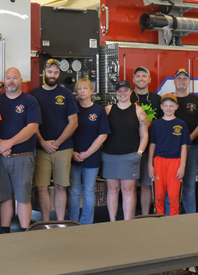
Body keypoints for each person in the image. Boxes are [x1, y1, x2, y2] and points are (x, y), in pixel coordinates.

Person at [0, 68, 40, 232]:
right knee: (4, 197)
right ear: (3, 81)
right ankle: (5, 231)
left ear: (21, 80)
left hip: (23, 157)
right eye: (8, 78)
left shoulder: (30, 101)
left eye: (14, 78)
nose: (11, 81)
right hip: (1, 157)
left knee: (23, 197)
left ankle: (24, 232)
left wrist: (8, 143)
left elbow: (32, 127)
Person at [30, 59, 78, 221]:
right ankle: (45, 223)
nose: (52, 75)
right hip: (41, 148)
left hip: (63, 149)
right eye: (50, 72)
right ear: (44, 72)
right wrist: (43, 142)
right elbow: (31, 123)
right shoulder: (34, 94)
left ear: (59, 74)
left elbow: (74, 122)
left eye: (56, 72)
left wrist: (57, 143)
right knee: (41, 187)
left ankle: (59, 222)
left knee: (60, 186)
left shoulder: (66, 94)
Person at [102, 80, 148, 221]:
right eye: (119, 91)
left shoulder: (138, 111)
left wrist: (139, 153)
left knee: (128, 191)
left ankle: (128, 224)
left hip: (130, 157)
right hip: (110, 156)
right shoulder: (108, 109)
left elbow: (144, 135)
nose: (122, 93)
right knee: (113, 190)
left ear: (130, 92)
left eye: (125, 90)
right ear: (116, 93)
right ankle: (113, 222)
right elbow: (101, 133)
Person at [68, 78, 110, 224]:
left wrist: (87, 153)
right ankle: (72, 222)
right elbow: (67, 132)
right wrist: (72, 152)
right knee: (73, 191)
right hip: (73, 156)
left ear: (92, 91)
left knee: (89, 191)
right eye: (79, 88)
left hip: (91, 157)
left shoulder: (99, 110)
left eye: (85, 88)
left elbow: (103, 135)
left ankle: (86, 223)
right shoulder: (72, 109)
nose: (82, 91)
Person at [148, 94, 190, 216]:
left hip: (175, 162)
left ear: (176, 107)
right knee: (159, 195)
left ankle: (174, 218)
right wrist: (150, 164)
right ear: (161, 107)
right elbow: (152, 145)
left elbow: (184, 146)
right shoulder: (156, 124)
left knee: (174, 195)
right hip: (159, 161)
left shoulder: (181, 124)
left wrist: (182, 166)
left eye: (171, 106)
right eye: (166, 105)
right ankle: (159, 217)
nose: (168, 108)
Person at [172, 68, 198, 214]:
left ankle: (191, 216)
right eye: (179, 78)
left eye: (184, 78)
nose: (181, 81)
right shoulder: (168, 99)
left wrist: (187, 140)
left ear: (188, 82)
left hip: (191, 148)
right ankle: (171, 214)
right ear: (174, 81)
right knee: (171, 184)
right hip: (170, 150)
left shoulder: (196, 100)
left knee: (189, 184)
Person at [130, 66, 161, 216]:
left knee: (146, 185)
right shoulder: (127, 97)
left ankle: (144, 216)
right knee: (128, 186)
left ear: (149, 79)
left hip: (150, 149)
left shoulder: (157, 99)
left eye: (144, 76)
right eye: (138, 76)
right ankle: (128, 215)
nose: (141, 79)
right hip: (129, 148)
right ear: (133, 79)